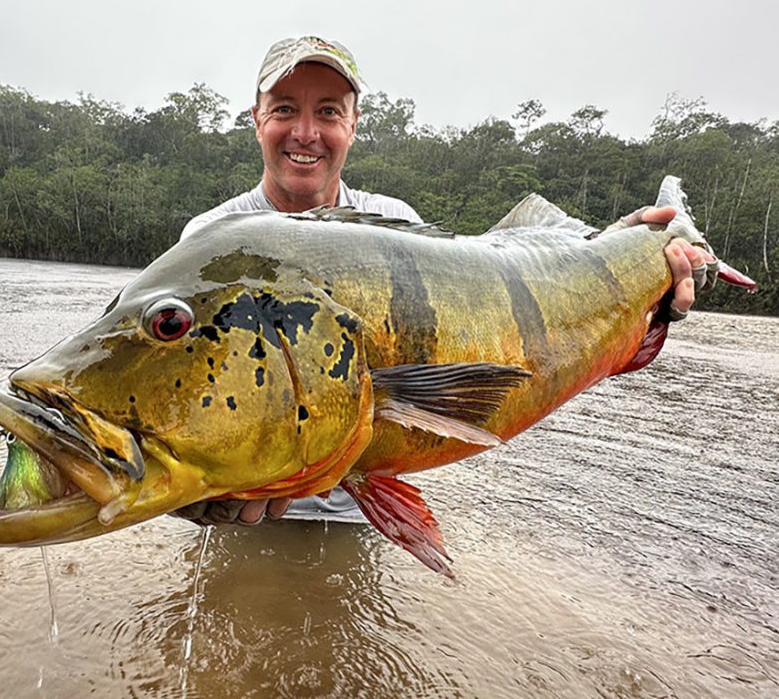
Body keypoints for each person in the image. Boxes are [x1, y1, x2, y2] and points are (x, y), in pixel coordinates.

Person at [174, 35, 713, 527]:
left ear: (354, 124)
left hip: (354, 517)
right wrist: (184, 494)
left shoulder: (399, 228)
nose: (306, 132)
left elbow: (512, 323)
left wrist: (646, 274)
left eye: (329, 112)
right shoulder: (209, 240)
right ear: (257, 118)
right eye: (285, 110)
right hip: (243, 521)